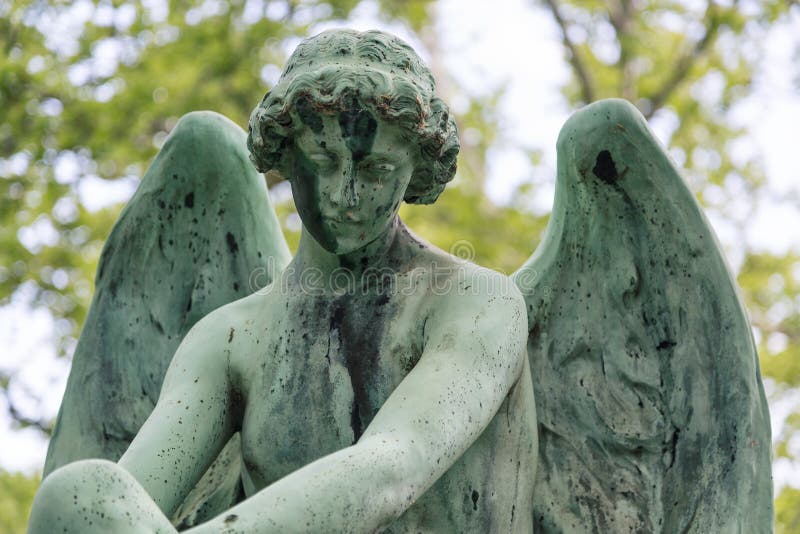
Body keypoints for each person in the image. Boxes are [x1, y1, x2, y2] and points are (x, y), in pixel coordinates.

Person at [28, 29, 537, 533]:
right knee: (81, 494)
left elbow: (390, 467)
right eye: (323, 160)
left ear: (416, 170)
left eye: (378, 167)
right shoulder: (232, 337)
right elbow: (129, 498)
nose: (348, 192)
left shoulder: (478, 302)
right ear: (286, 154)